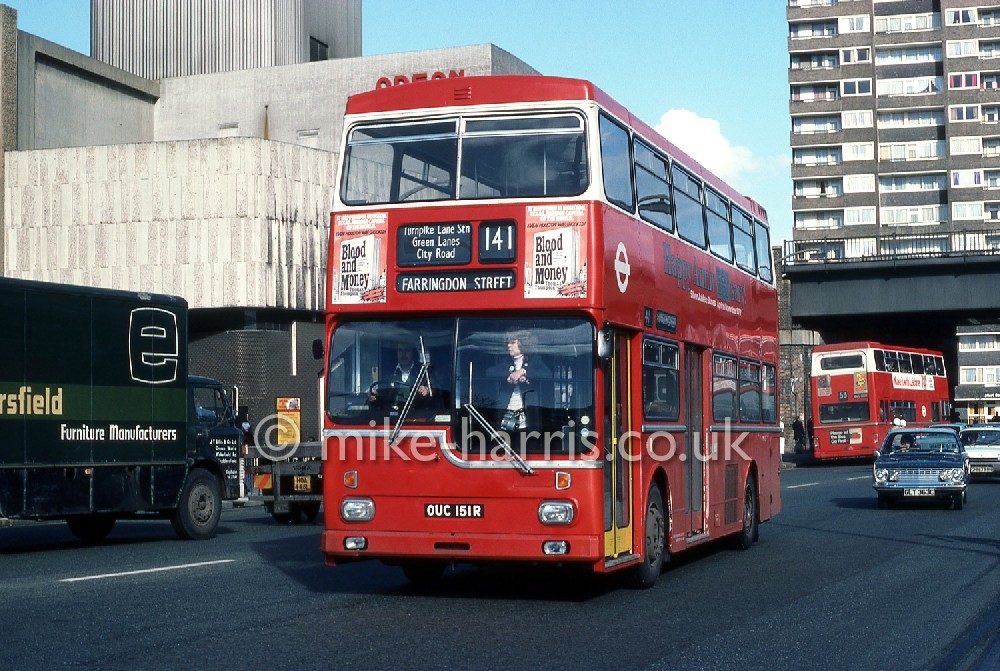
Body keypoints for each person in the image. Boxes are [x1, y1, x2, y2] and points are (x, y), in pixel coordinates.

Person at [489, 330, 550, 430]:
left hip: (528, 416)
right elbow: (490, 372)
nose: (508, 345)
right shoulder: (505, 361)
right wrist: (511, 375)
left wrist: (524, 372)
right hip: (506, 414)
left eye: (512, 342)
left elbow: (547, 374)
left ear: (523, 344)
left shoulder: (535, 360)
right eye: (507, 342)